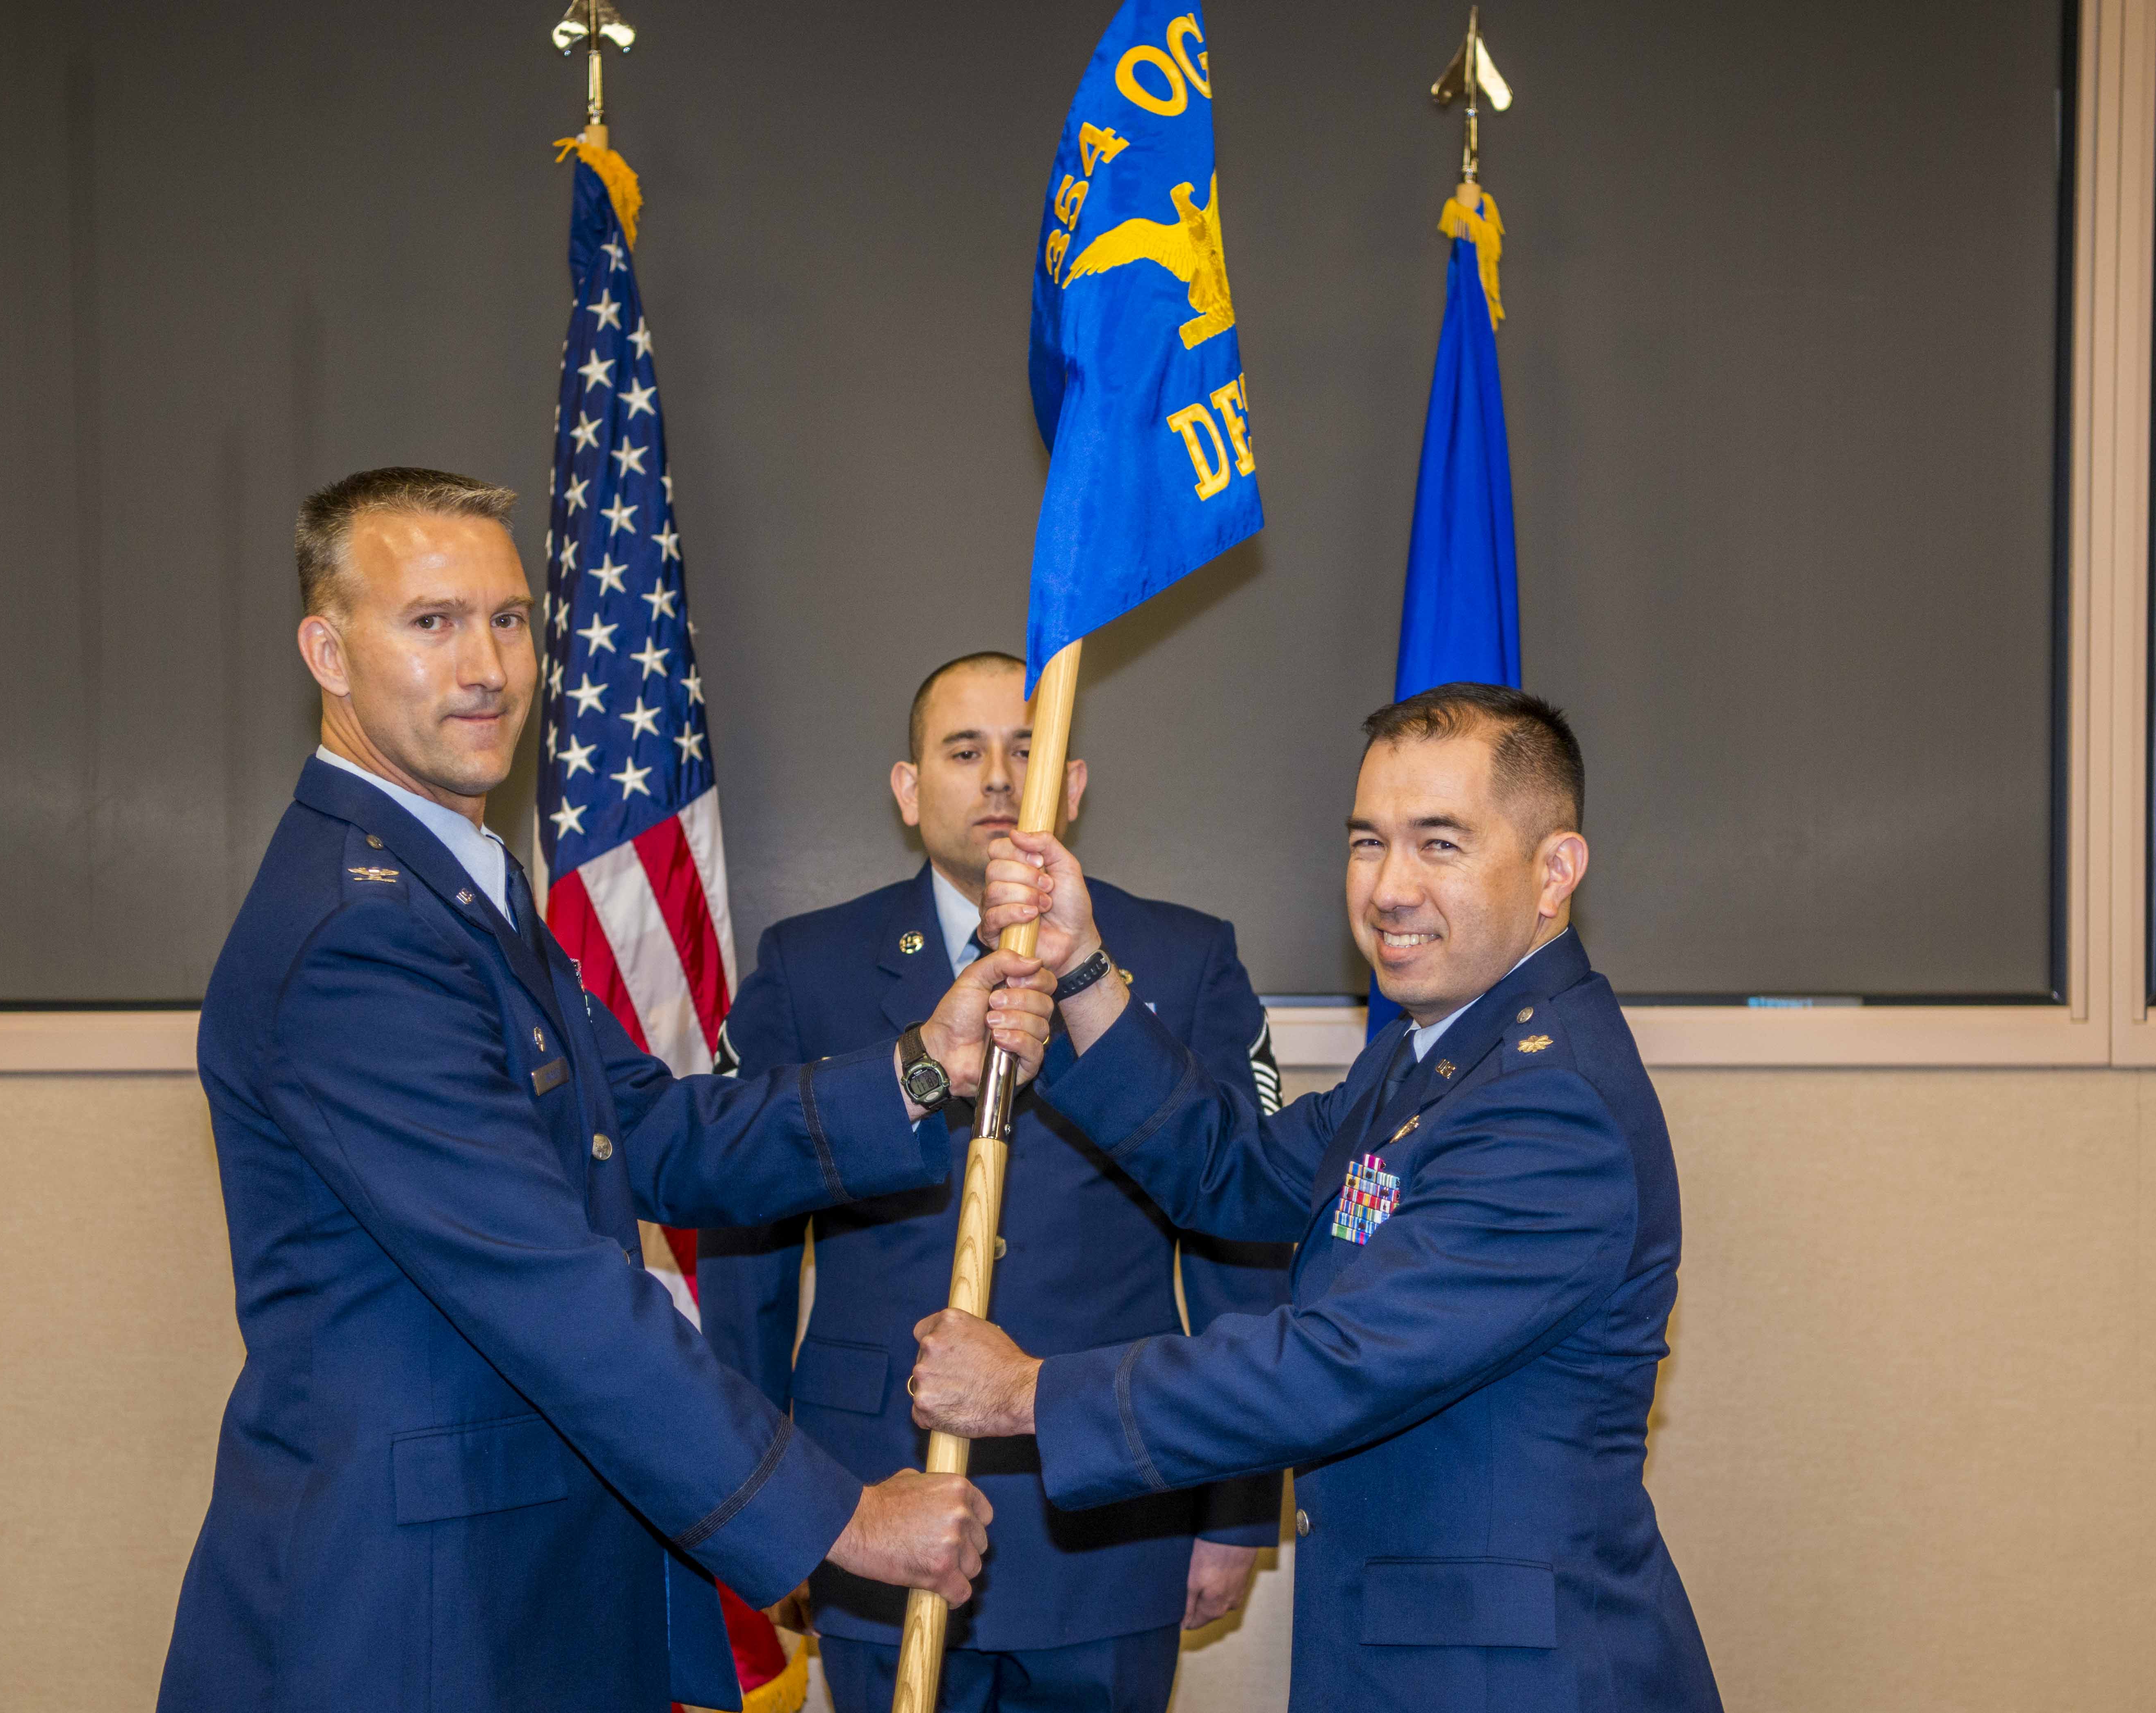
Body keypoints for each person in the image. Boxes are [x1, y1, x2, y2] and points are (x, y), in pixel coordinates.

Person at [158, 469, 1056, 1713]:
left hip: (515, 1584)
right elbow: (548, 1284)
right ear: (328, 650)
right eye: (431, 622)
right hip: (410, 1619)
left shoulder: (452, 887)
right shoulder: (354, 937)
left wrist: (921, 1065)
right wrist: (838, 1511)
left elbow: (644, 1125)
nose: (487, 666)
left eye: (510, 620)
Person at [908, 684, 1725, 1712]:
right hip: (1408, 1656)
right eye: (1366, 842)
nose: (1388, 888)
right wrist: (1080, 973)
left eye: (1439, 844)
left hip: (1510, 1679)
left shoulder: (1549, 1104)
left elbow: (1340, 1362)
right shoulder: (1432, 1058)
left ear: (1555, 870)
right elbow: (1232, 1170)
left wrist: (1028, 1393)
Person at [696, 651, 1291, 1713]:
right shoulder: (810, 965)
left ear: (1071, 785)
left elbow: (1237, 1234)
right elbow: (749, 1249)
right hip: (872, 1498)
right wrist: (765, 1504)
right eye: (962, 751)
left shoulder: (1184, 957)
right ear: (908, 788)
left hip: (1112, 1510)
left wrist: (1236, 1507)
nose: (998, 778)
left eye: (1027, 749)